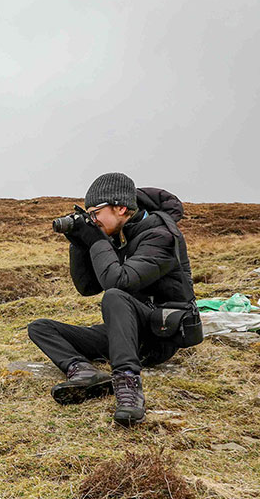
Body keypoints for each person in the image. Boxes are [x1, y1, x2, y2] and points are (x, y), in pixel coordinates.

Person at [27, 173, 202, 426]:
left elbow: (118, 282)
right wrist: (80, 244)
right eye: (89, 215)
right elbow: (87, 287)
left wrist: (96, 239)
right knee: (41, 328)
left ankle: (128, 385)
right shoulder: (119, 236)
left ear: (120, 208)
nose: (93, 220)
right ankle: (84, 372)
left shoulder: (160, 235)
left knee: (115, 296)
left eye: (95, 213)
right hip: (127, 332)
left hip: (160, 335)